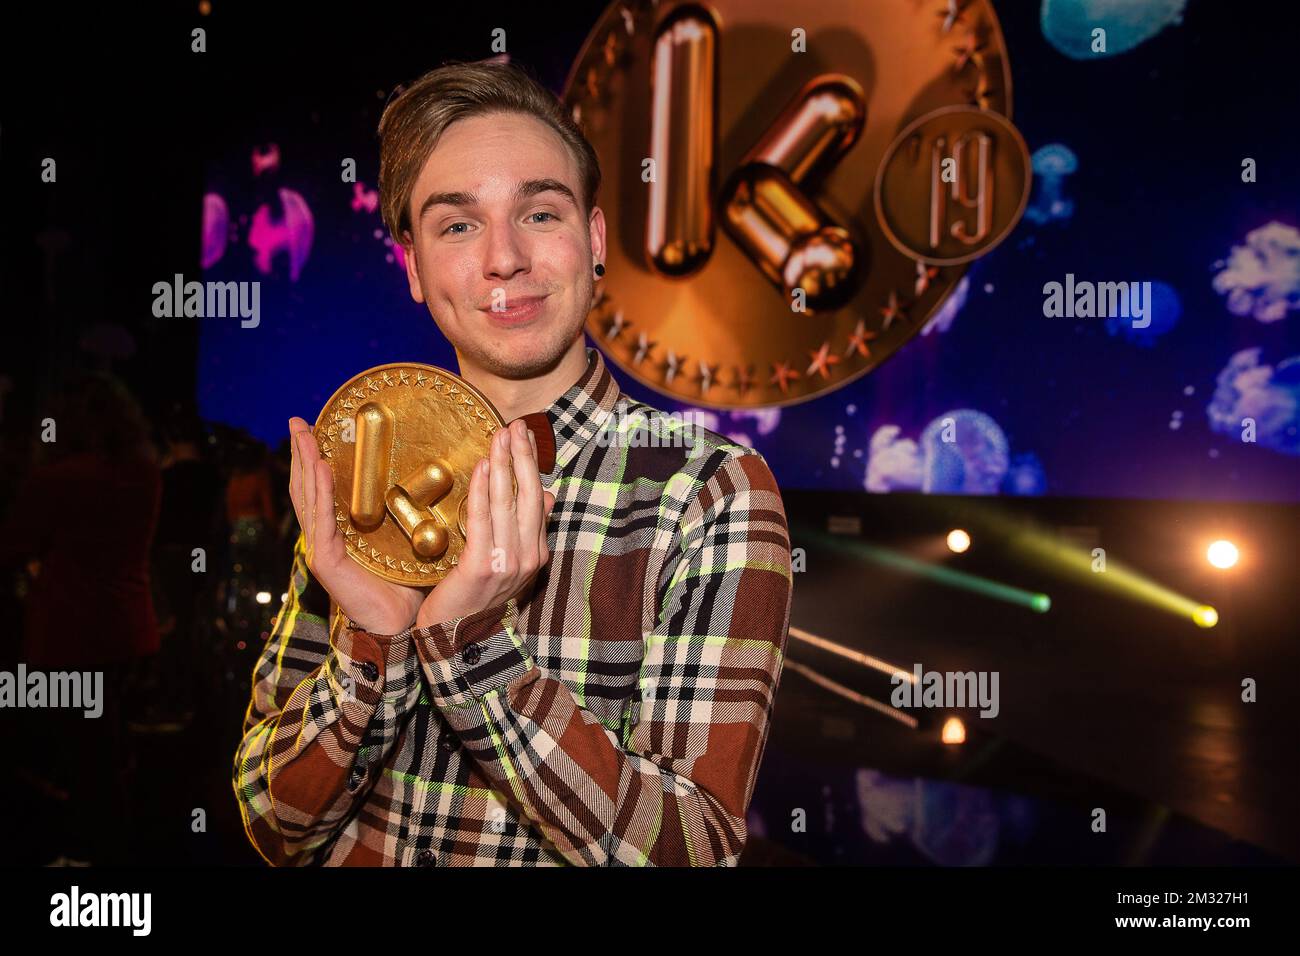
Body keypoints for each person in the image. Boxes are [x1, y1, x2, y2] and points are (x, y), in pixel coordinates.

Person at [232, 59, 793, 866]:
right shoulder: (360, 476)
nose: (504, 259)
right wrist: (376, 647)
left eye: (539, 213)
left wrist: (469, 647)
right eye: (457, 225)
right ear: (414, 267)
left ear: (594, 241)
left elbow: (692, 849)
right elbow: (272, 825)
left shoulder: (711, 491)